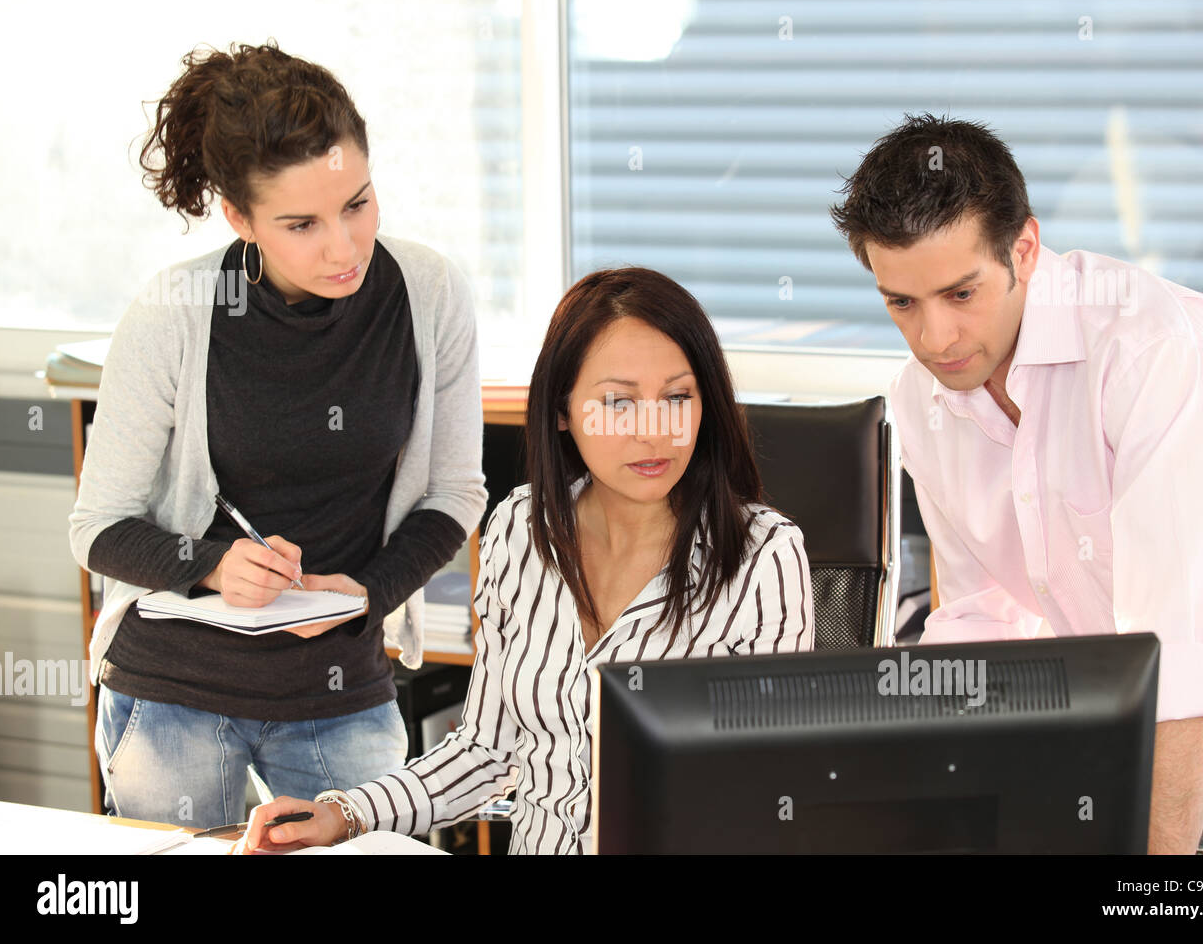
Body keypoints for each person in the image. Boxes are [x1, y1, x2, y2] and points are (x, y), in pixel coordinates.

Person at [237, 266, 815, 854]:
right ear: (563, 410)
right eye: (617, 401)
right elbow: (487, 751)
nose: (654, 431)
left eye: (677, 397)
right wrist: (346, 813)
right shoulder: (520, 527)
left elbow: (778, 794)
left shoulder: (763, 556)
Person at [830, 113, 1203, 854]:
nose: (934, 339)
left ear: (1026, 249)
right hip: (1106, 714)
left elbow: (1182, 649)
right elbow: (981, 622)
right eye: (901, 303)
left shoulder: (1145, 350)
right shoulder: (922, 400)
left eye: (960, 294)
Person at [68, 42, 487, 830]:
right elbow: (97, 530)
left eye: (358, 204)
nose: (344, 247)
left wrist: (373, 588)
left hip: (338, 684)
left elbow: (456, 491)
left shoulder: (428, 292)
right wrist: (214, 565)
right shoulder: (175, 312)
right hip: (174, 690)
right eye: (301, 224)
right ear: (241, 218)